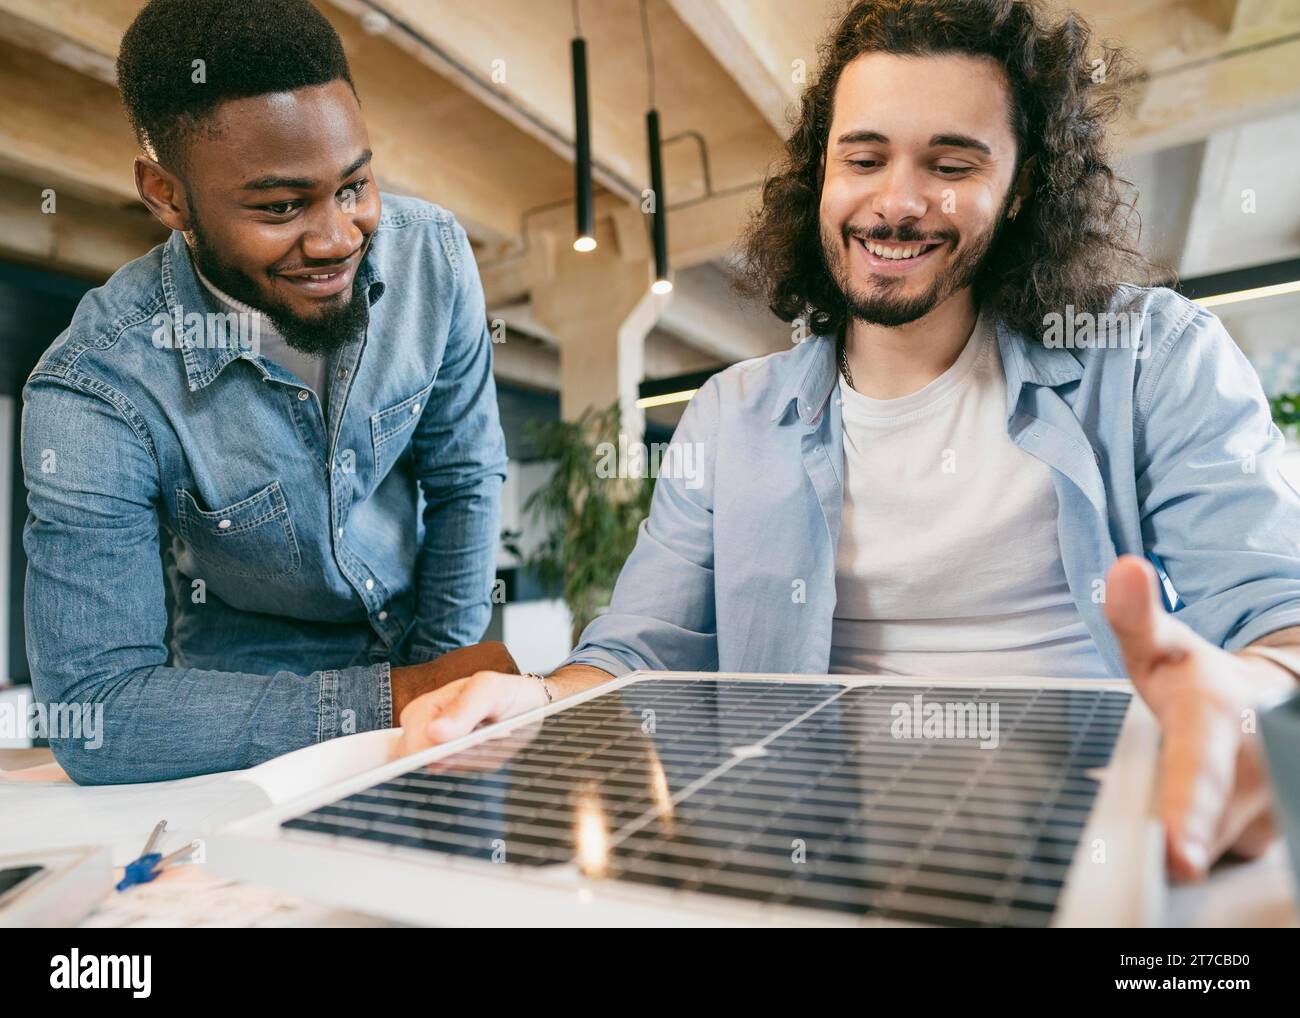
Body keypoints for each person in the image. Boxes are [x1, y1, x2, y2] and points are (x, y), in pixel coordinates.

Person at [397, 0, 1300, 883]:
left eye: (951, 163)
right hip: (809, 855)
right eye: (862, 158)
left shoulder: (1150, 358)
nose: (896, 203)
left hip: (1098, 843)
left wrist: (1244, 698)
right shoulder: (731, 413)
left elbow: (1276, 617)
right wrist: (542, 694)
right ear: (820, 175)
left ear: (1022, 185)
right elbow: (642, 648)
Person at [23, 0, 507, 783]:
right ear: (166, 194)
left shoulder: (435, 258)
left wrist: (440, 675)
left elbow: (465, 478)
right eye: (282, 207)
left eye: (354, 185)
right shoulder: (95, 387)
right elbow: (97, 713)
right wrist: (400, 697)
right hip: (246, 698)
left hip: (435, 643)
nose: (337, 238)